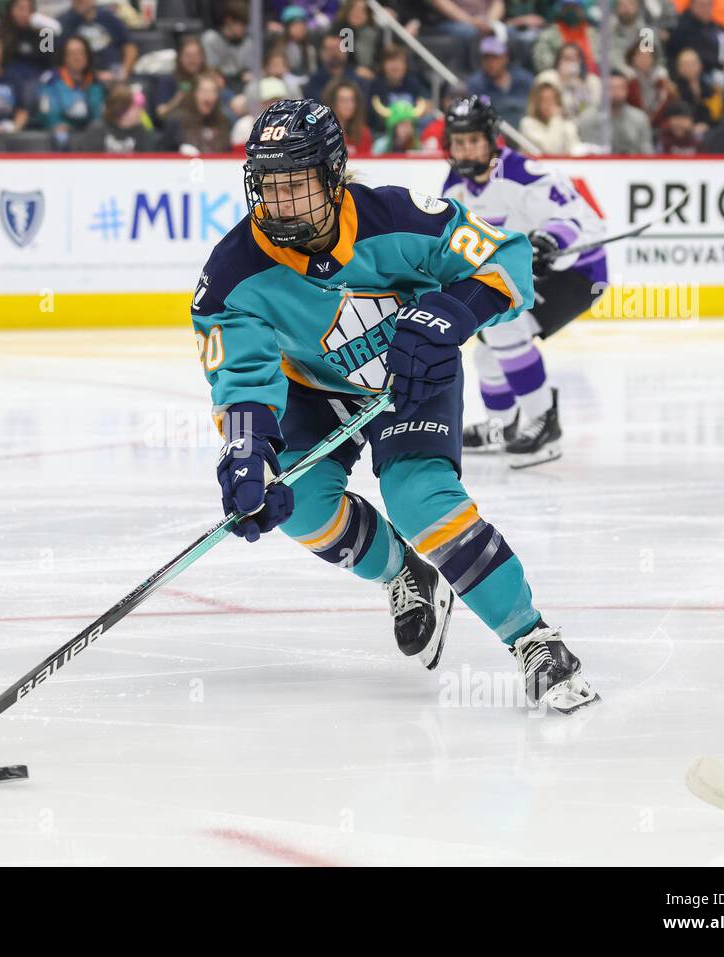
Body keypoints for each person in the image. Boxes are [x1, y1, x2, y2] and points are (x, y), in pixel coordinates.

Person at [190, 97, 599, 713]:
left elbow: (507, 256)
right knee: (299, 509)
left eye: (298, 184)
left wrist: (454, 311)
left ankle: (533, 639)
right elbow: (243, 375)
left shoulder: (399, 217)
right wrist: (248, 451)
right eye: (270, 187)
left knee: (419, 498)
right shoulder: (232, 275)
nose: (283, 203)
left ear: (333, 177)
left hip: (415, 372)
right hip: (315, 387)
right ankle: (403, 575)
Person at [441, 95, 606, 468]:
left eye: (473, 141)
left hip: (577, 271)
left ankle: (544, 423)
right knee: (488, 349)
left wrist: (550, 241)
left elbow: (574, 215)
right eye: (458, 142)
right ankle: (503, 426)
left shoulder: (523, 173)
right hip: (524, 274)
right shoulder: (455, 186)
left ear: (492, 140)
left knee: (505, 328)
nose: (466, 150)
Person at [37, 34, 104, 136]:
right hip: (59, 131)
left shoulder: (95, 82)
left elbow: (98, 113)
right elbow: (47, 111)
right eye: (72, 53)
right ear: (64, 57)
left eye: (81, 53)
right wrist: (57, 124)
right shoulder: (51, 80)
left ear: (87, 57)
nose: (77, 57)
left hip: (88, 131)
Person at [58, 0, 137, 83]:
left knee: (124, 93)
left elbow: (130, 48)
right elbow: (59, 58)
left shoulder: (109, 18)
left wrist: (123, 72)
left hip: (113, 76)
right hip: (79, 79)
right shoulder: (64, 23)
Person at [467, 35, 533, 130]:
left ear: (505, 57)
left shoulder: (524, 79)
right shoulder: (476, 84)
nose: (491, 62)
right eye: (486, 58)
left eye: (495, 57)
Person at [578, 69, 654, 152]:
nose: (616, 92)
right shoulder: (588, 118)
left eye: (620, 88)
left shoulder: (639, 118)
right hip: (599, 164)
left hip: (631, 163)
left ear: (627, 90)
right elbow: (584, 152)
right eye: (611, 88)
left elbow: (647, 153)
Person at [519, 77, 585, 153]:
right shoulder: (527, 124)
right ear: (536, 103)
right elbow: (551, 150)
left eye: (553, 99)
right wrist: (556, 119)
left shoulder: (567, 126)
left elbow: (577, 152)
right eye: (545, 100)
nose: (549, 104)